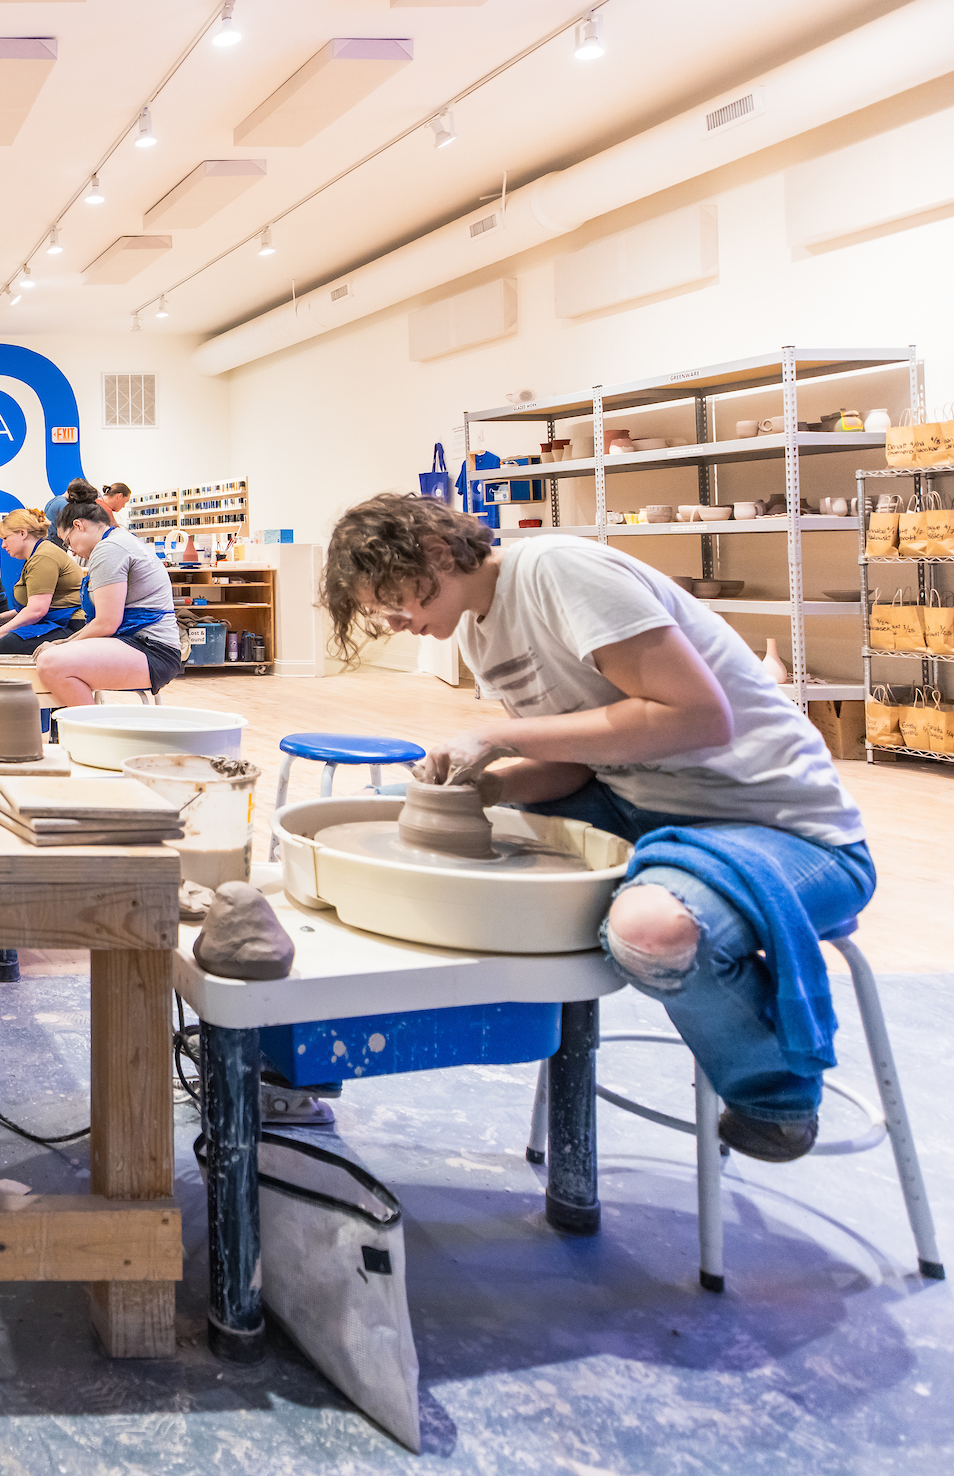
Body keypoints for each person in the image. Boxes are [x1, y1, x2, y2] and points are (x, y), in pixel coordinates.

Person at [322, 494, 873, 1163]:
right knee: (396, 815)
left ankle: (773, 1091)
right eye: (380, 609)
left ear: (436, 551)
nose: (395, 619)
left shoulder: (558, 571)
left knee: (650, 935)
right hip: (637, 803)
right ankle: (338, 1046)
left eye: (392, 595)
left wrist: (498, 734)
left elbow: (700, 718)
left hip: (775, 823)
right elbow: (578, 766)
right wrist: (490, 784)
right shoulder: (475, 626)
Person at [37, 478, 180, 704]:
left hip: (152, 651)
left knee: (51, 663)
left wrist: (65, 644)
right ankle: (88, 726)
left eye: (68, 541)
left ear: (78, 525)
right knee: (54, 655)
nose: (71, 550)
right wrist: (66, 643)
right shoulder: (118, 540)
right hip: (143, 645)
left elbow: (106, 623)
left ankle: (93, 733)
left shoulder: (109, 549)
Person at [0, 507, 85, 654]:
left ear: (22, 533)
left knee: (8, 644)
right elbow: (37, 606)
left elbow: (37, 610)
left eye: (5, 538)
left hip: (71, 624)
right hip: (58, 621)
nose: (3, 545)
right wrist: (1, 618)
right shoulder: (39, 554)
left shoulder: (43, 557)